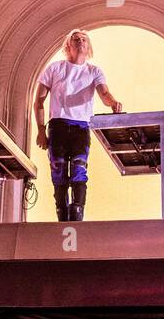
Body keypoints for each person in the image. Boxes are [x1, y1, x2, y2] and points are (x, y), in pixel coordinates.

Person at [33, 29, 125, 222]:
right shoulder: (55, 68)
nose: (80, 42)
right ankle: (61, 211)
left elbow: (104, 93)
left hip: (81, 127)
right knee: (58, 169)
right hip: (58, 126)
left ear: (88, 46)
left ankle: (77, 211)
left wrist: (113, 102)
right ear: (69, 45)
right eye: (76, 39)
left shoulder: (94, 71)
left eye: (84, 39)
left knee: (79, 168)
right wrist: (41, 131)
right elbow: (39, 101)